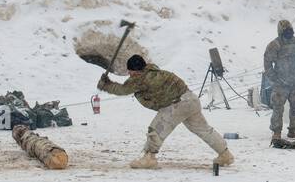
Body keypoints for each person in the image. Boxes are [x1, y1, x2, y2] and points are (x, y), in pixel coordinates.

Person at [99, 55, 233, 169]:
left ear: (137, 70)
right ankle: (225, 154)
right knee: (204, 130)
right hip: (191, 100)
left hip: (178, 104)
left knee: (156, 128)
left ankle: (149, 158)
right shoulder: (153, 72)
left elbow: (123, 90)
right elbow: (130, 86)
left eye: (131, 71)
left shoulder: (142, 79)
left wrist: (105, 85)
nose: (130, 74)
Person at [263, 20, 295, 142]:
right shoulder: (274, 45)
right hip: (280, 83)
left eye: (290, 31)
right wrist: (274, 78)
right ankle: (276, 132)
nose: (289, 33)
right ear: (281, 32)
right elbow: (267, 62)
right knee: (278, 107)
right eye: (286, 31)